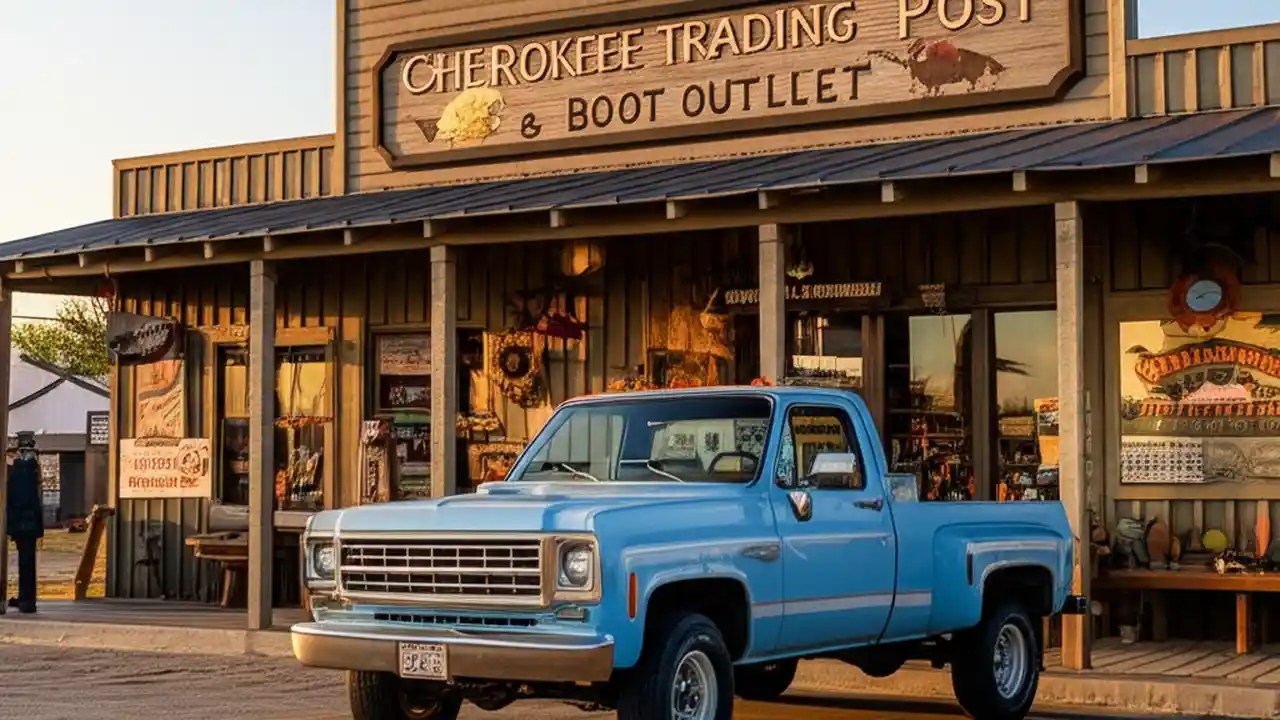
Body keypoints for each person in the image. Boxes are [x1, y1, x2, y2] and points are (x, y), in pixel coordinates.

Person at [6, 431, 43, 614]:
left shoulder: (21, 469)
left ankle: (26, 600)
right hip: (29, 522)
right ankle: (27, 599)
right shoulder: (32, 467)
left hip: (21, 520)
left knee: (25, 562)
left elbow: (18, 498)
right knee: (27, 563)